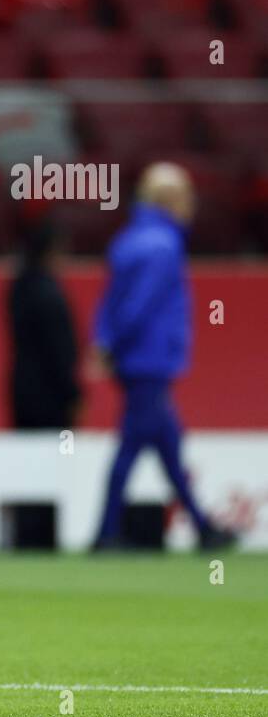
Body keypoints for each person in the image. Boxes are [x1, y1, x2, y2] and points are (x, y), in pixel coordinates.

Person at [92, 163, 235, 552]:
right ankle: (105, 533)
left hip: (136, 358)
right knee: (134, 445)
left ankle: (202, 528)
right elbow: (138, 305)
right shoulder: (164, 245)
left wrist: (104, 341)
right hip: (149, 359)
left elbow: (111, 300)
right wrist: (116, 342)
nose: (192, 204)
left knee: (166, 446)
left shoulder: (128, 240)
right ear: (169, 199)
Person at [7, 219, 79, 430]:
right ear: (51, 252)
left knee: (28, 455)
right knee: (57, 455)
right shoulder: (50, 296)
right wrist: (73, 393)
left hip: (22, 389)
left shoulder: (18, 289)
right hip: (52, 395)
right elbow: (59, 350)